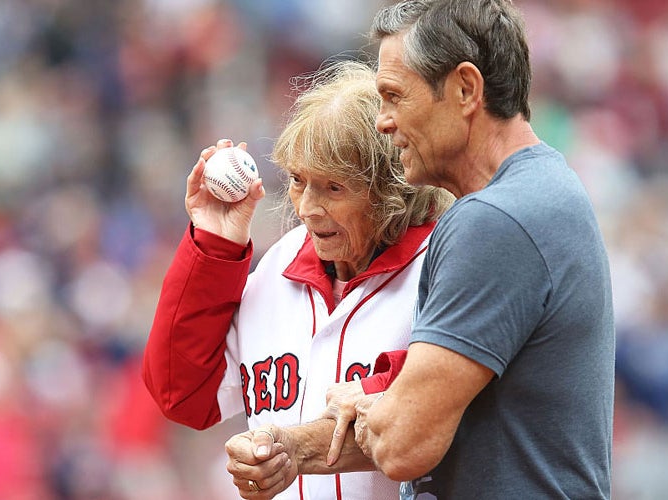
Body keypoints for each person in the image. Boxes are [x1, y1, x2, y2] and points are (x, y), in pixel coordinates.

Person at [233, 1, 615, 498]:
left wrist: (376, 402)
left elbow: (403, 444)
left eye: (394, 96)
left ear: (465, 89)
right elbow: (432, 416)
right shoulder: (545, 190)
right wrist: (293, 447)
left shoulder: (494, 220)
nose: (384, 122)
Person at [141, 59, 454, 500]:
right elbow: (183, 395)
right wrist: (213, 247)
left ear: (389, 189)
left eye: (333, 188)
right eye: (297, 180)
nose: (306, 207)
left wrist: (293, 448)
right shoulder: (280, 264)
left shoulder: (444, 263)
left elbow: (425, 409)